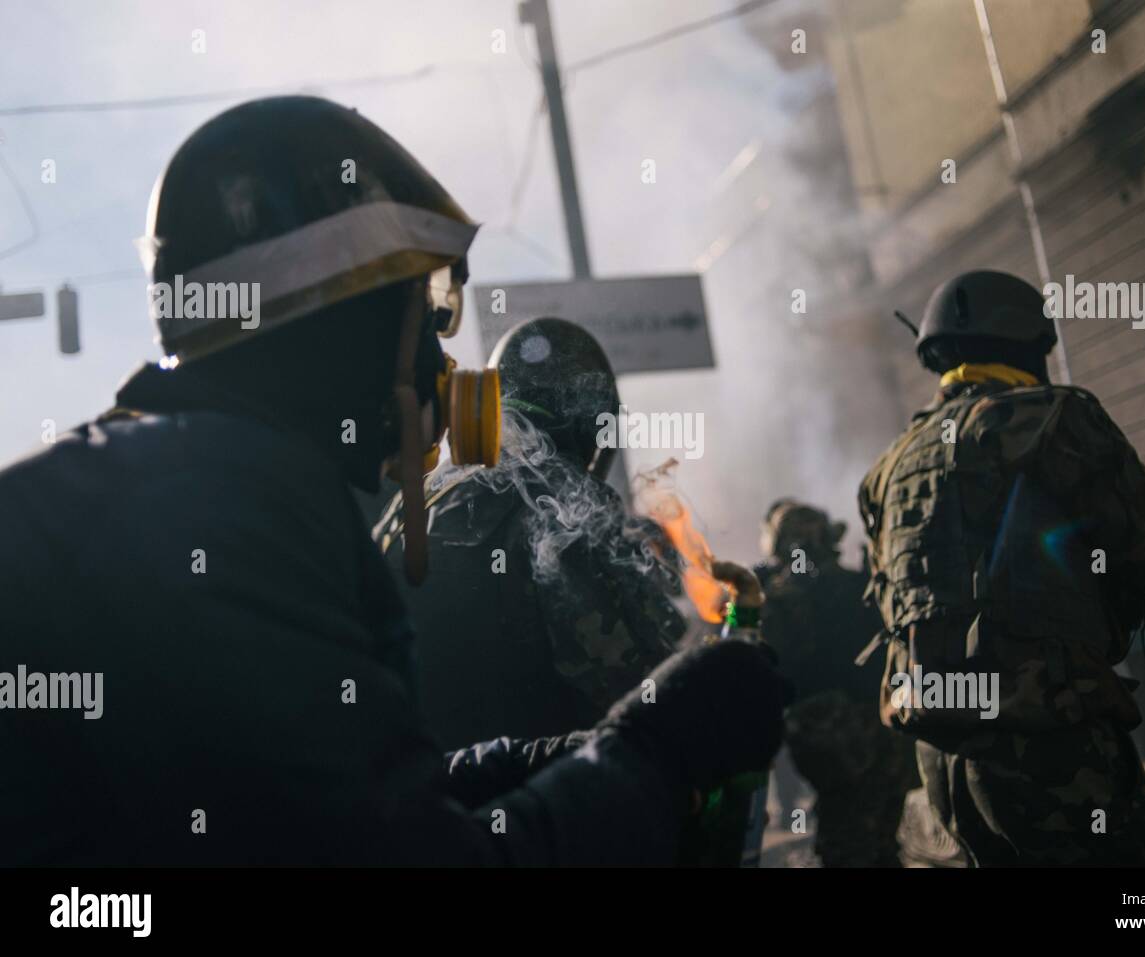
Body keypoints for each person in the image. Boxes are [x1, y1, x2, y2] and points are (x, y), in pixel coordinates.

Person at [0, 96, 788, 865]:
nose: (439, 359)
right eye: (425, 311)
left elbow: (342, 800)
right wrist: (652, 753)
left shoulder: (170, 479)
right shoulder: (226, 515)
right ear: (344, 324)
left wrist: (532, 760)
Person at [858, 270, 1145, 867]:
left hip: (941, 752)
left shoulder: (888, 466)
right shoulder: (1052, 419)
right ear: (1027, 346)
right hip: (1044, 732)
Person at [375, 317, 684, 748]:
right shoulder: (569, 510)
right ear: (592, 423)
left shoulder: (419, 498)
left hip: (423, 789)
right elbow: (641, 688)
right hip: (543, 795)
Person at [756, 500, 917, 867]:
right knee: (880, 843)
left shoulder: (782, 598)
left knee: (847, 845)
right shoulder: (860, 586)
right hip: (884, 732)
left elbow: (764, 665)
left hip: (837, 739)